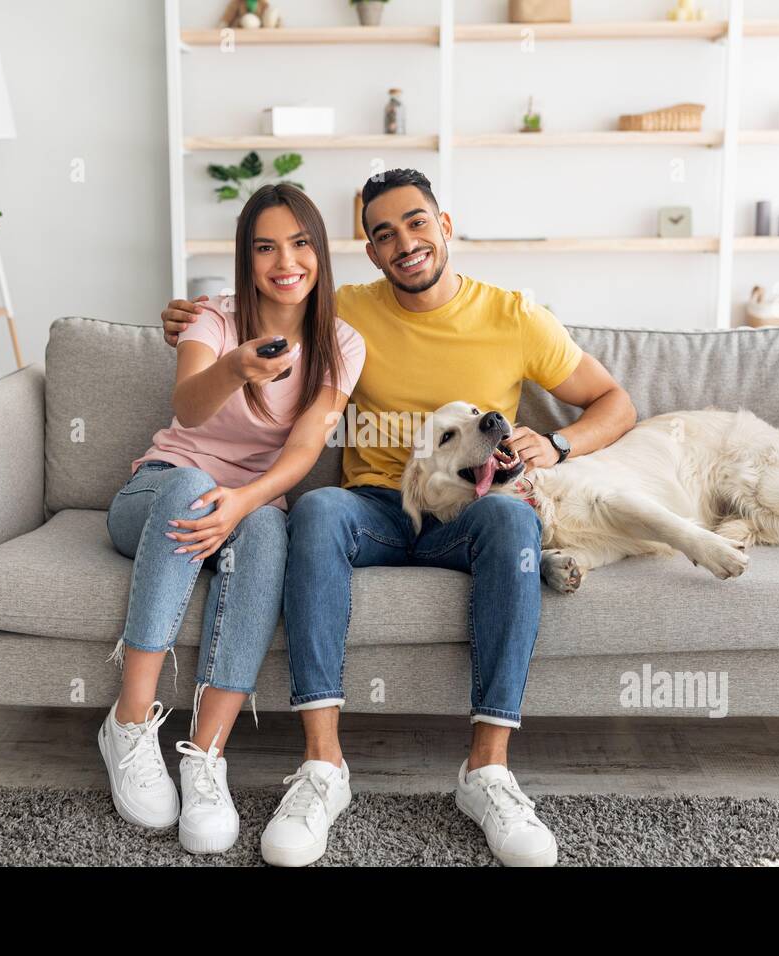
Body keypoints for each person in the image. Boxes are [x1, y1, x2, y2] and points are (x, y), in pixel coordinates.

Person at [162, 169, 635, 867]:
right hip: (376, 510)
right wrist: (185, 317)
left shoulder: (517, 317)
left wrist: (560, 442)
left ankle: (488, 774)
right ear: (371, 251)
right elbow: (263, 299)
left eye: (416, 223)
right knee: (318, 508)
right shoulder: (346, 309)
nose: (404, 242)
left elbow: (614, 403)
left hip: (469, 512)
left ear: (446, 225)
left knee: (513, 524)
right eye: (384, 234)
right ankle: (324, 769)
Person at [102, 183, 364, 855]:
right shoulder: (213, 320)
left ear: (321, 253)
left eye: (301, 243)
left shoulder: (340, 342)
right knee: (192, 481)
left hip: (247, 512)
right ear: (246, 258)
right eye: (266, 246)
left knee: (273, 523)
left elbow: (306, 448)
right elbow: (188, 407)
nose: (286, 261)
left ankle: (205, 755)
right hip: (158, 494)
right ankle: (130, 724)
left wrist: (245, 502)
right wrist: (235, 369)